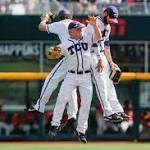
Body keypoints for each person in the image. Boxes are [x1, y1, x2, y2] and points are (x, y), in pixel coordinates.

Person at [49, 18, 102, 143]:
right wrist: (52, 52)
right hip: (71, 76)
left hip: (86, 76)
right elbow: (52, 53)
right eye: (78, 29)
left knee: (86, 103)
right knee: (62, 98)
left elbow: (98, 38)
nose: (80, 31)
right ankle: (55, 124)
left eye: (81, 29)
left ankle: (81, 130)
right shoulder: (65, 44)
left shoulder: (86, 39)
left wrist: (94, 26)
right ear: (71, 31)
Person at [25, 9, 78, 125]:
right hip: (84, 58)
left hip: (71, 56)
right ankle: (72, 115)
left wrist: (46, 18)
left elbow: (41, 27)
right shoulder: (80, 25)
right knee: (71, 84)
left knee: (52, 78)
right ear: (71, 16)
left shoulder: (61, 23)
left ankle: (40, 106)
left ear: (61, 17)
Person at [92, 5, 129, 121]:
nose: (111, 22)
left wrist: (111, 62)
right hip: (91, 55)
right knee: (101, 84)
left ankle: (117, 109)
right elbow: (94, 44)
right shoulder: (94, 24)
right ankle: (108, 112)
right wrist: (99, 59)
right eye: (110, 18)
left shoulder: (107, 26)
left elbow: (106, 46)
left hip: (101, 54)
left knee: (109, 83)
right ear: (105, 13)